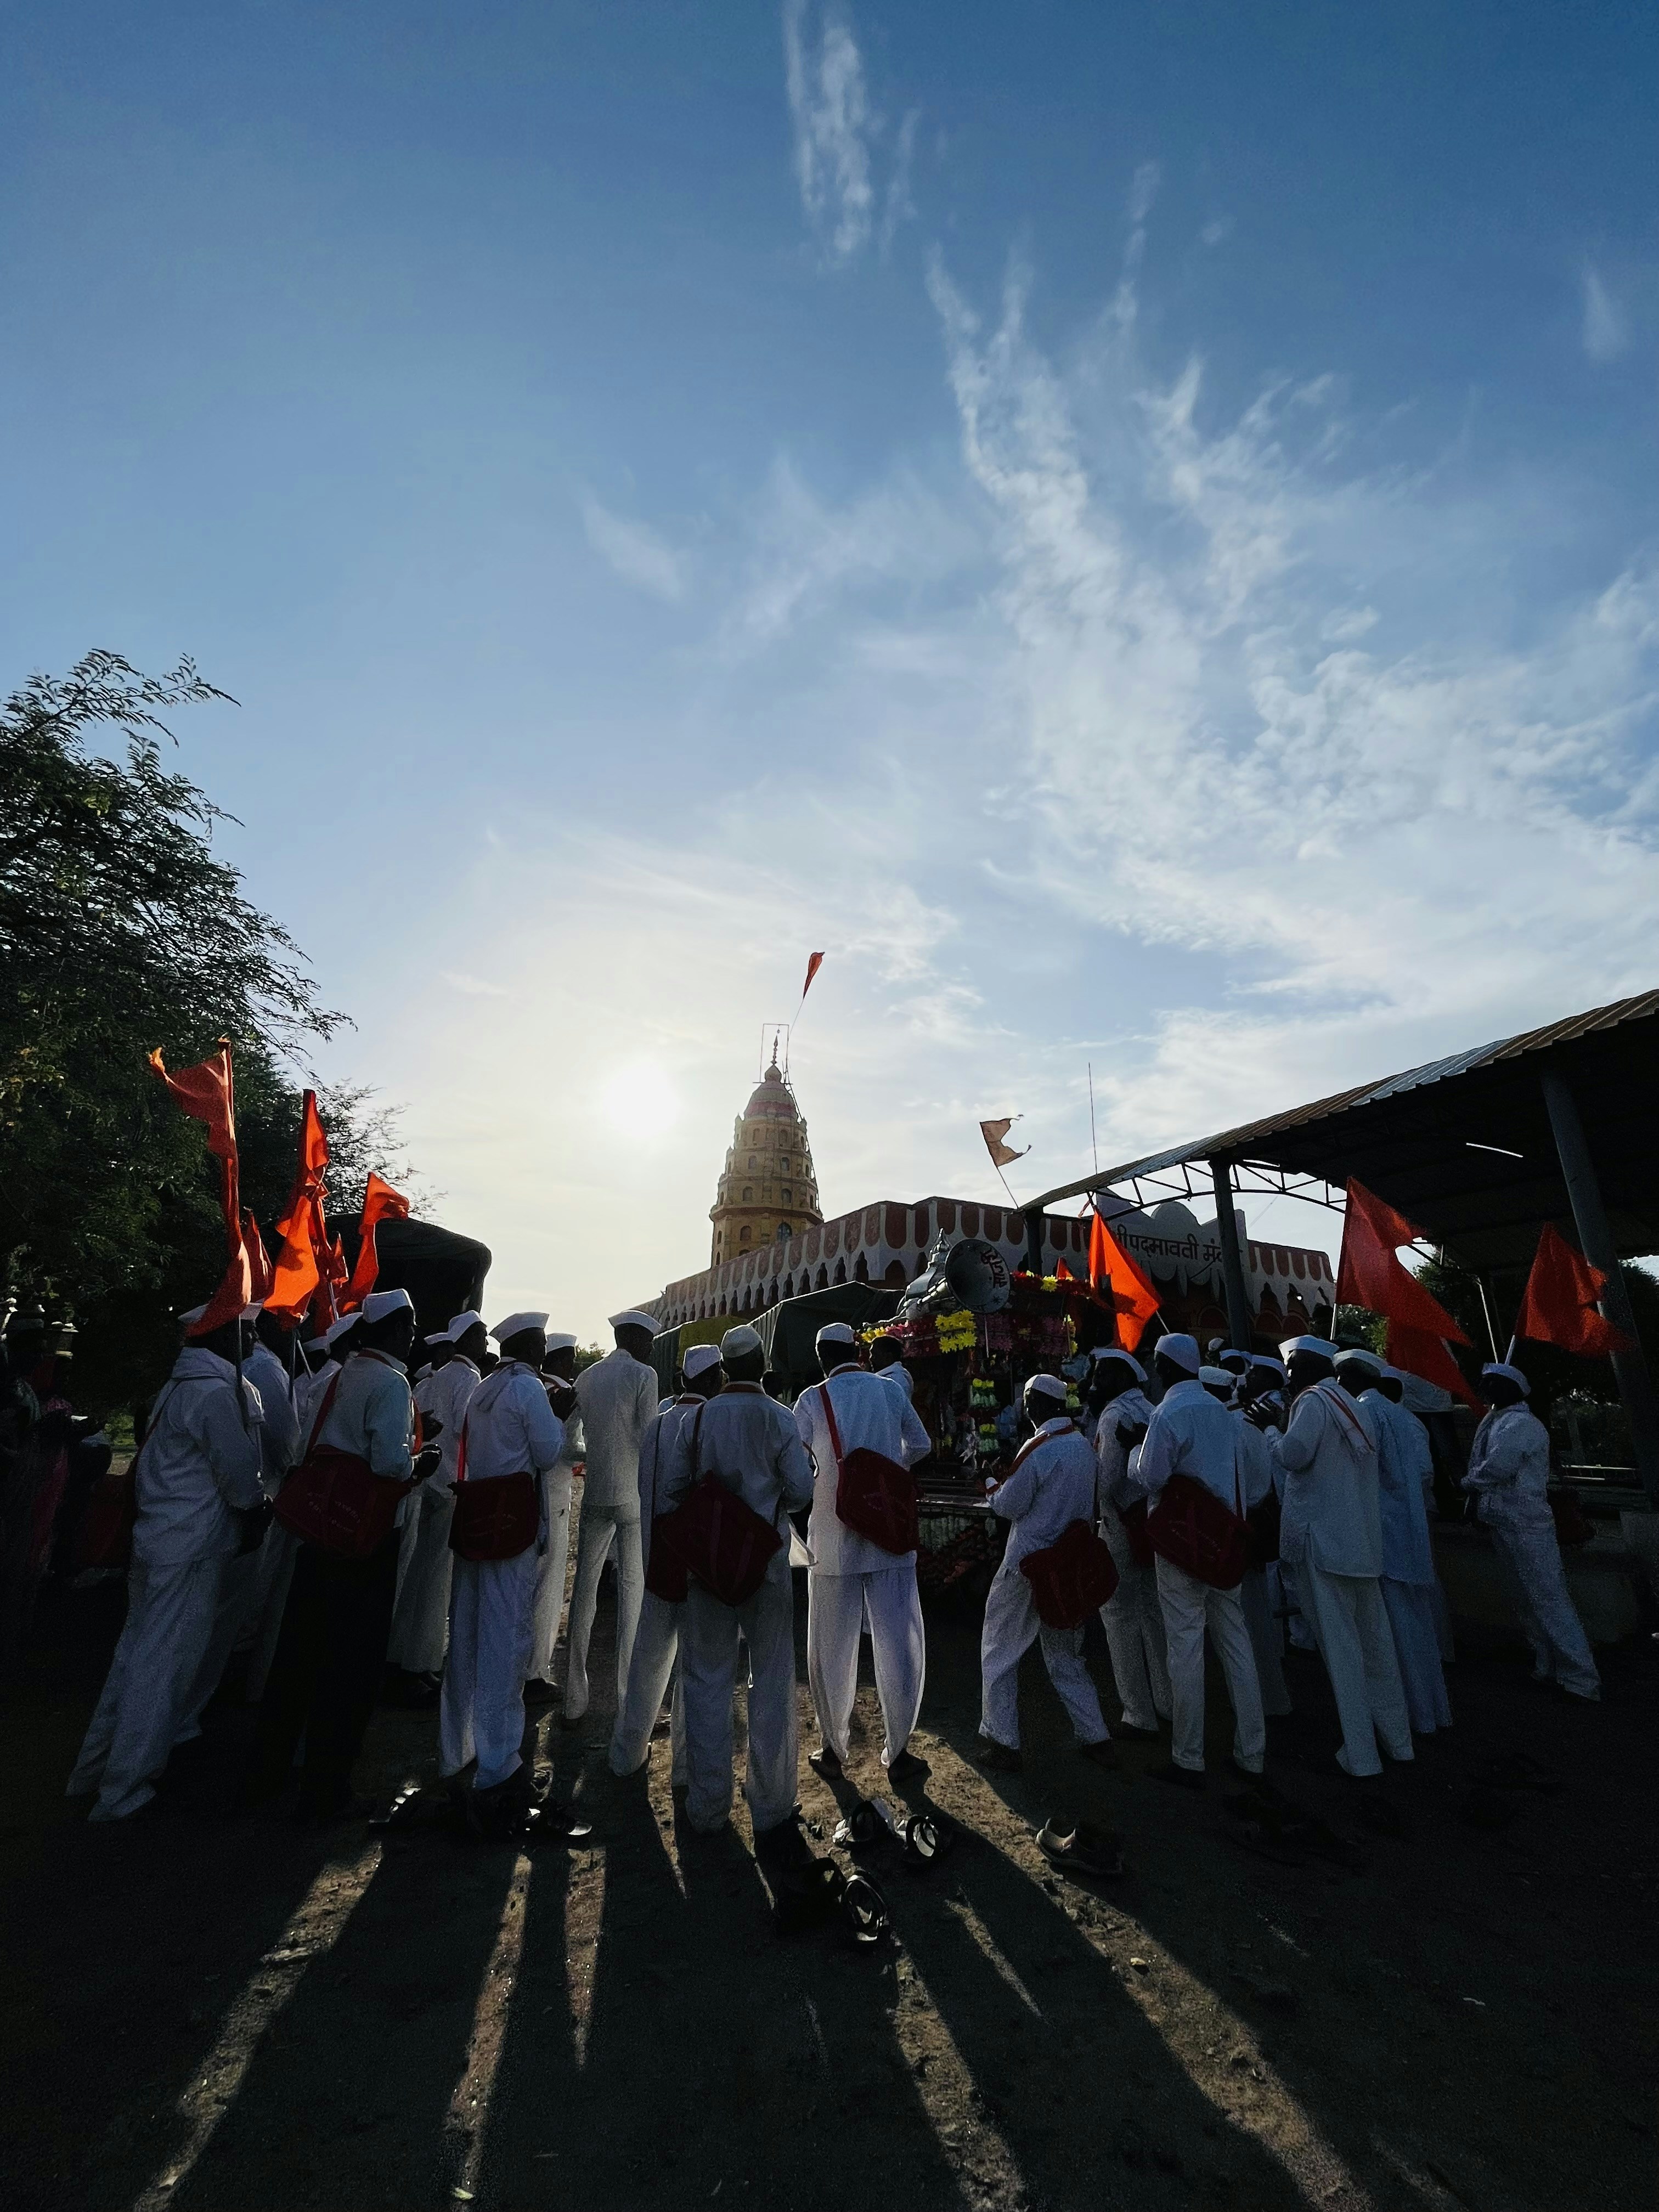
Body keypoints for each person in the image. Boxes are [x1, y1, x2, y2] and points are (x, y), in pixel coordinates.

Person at [68, 1302, 265, 1821]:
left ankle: (94, 1771)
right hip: (191, 1548)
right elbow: (242, 1479)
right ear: (223, 1337)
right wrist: (258, 1506)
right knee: (163, 1667)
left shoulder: (177, 1387)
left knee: (135, 1658)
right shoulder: (215, 1392)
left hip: (161, 1542)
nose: (253, 1343)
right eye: (246, 1333)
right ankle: (123, 1788)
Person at [246, 1289, 436, 1820]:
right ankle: (326, 1787)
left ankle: (269, 1769)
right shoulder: (391, 1382)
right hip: (363, 1539)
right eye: (411, 1324)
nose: (415, 1334)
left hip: (321, 1534)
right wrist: (420, 1462)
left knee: (300, 1655)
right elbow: (388, 1465)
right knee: (350, 1666)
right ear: (395, 1330)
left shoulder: (338, 1378)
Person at [661, 1323, 816, 1857]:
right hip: (767, 1565)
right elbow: (799, 1494)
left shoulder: (697, 1417)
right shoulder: (780, 1417)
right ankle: (772, 1808)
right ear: (761, 1364)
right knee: (771, 1681)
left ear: (725, 1368)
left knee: (706, 1680)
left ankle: (706, 1808)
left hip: (707, 1567)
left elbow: (674, 1489)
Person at [440, 1312, 579, 1836]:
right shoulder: (527, 1391)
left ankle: (456, 1753)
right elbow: (548, 1453)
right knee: (506, 1640)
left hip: (477, 1519)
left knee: (468, 1639)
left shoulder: (483, 1389)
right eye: (542, 1342)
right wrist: (559, 1414)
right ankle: (501, 1767)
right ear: (531, 1346)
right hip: (511, 1524)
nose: (546, 1351)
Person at [795, 1320, 933, 1781]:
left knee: (830, 1648)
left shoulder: (812, 1399)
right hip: (889, 1534)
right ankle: (900, 1752)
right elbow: (921, 1444)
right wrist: (884, 1472)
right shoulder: (890, 1391)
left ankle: (834, 1750)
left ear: (821, 1357)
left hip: (833, 1538)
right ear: (856, 1350)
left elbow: (798, 1468)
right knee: (901, 1642)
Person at [1273, 1336, 1413, 1779]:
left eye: (1293, 1367)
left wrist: (1275, 1432)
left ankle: (1362, 1754)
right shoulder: (1353, 1406)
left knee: (1344, 1653)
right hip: (1360, 1544)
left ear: (1313, 1368)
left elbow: (1294, 1456)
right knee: (1376, 1648)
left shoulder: (1314, 1403)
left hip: (1326, 1545)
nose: (1289, 1376)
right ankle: (1399, 1742)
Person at [1135, 1333, 1266, 1788]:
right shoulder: (1222, 1413)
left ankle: (1188, 1757)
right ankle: (1253, 1753)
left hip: (1183, 1549)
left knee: (1186, 1648)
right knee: (1237, 1645)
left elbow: (1151, 1477)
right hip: (1224, 1545)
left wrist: (1136, 1451)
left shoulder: (1168, 1412)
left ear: (1166, 1367)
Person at [977, 1373, 1115, 1773]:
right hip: (1067, 1565)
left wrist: (988, 1480)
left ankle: (1004, 1741)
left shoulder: (1039, 1448)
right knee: (1066, 1658)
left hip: (1028, 1565)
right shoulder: (1083, 1447)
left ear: (1034, 1403)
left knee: (1000, 1650)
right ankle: (1097, 1737)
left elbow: (1007, 1505)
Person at [610, 1342, 725, 1783]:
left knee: (647, 1663)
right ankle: (684, 1769)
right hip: (694, 1566)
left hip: (655, 1558)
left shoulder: (657, 1424)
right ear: (716, 1380)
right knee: (696, 1672)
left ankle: (627, 1754)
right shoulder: (708, 1421)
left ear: (681, 1382)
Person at [1463, 1361, 1599, 1701]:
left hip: (1527, 1524)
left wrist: (1465, 1483)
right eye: (1486, 1383)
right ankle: (1547, 1665)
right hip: (1504, 1521)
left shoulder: (1522, 1425)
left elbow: (1498, 1467)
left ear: (1513, 1390)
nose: (1487, 1389)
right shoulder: (1495, 1422)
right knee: (1525, 1600)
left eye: (1494, 1384)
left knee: (1550, 1599)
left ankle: (1582, 1678)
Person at [1335, 1350, 1452, 1734]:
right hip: (1408, 1529)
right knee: (1418, 1625)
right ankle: (1432, 1711)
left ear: (1352, 1379)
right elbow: (1421, 1472)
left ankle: (1412, 1715)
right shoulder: (1403, 1417)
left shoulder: (1366, 1413)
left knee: (1393, 1628)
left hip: (1382, 1533)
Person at [563, 1311, 660, 1727]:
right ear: (636, 1339)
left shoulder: (587, 1378)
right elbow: (648, 1438)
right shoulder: (644, 1375)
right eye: (649, 1341)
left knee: (583, 1593)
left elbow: (568, 1442)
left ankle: (573, 1699)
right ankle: (629, 1701)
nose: (652, 1348)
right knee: (632, 1595)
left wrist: (596, 1455)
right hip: (632, 1497)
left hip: (597, 1493)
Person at [386, 1310, 486, 1697]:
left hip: (425, 1483)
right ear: (464, 1342)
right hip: (447, 1488)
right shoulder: (468, 1378)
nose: (485, 1344)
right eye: (480, 1336)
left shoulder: (434, 1379)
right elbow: (470, 1431)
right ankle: (421, 1664)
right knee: (435, 1583)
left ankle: (400, 1658)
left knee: (414, 1576)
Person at [1086, 1347, 1169, 1737]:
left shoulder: (1115, 1414)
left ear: (1121, 1380)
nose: (1094, 1383)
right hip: (1151, 1525)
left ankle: (1138, 1712)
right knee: (1154, 1616)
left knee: (1119, 1618)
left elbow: (1106, 1482)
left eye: (1102, 1375)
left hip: (1120, 1525)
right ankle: (1167, 1703)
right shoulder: (1151, 1409)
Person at [1228, 1363, 1293, 1719]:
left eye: (1255, 1376)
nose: (1245, 1381)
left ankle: (1260, 1705)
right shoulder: (1248, 1420)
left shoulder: (1250, 1422)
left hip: (1254, 1524)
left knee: (1249, 1623)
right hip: (1262, 1520)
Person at [523, 1331, 584, 1705]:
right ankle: (534, 1673)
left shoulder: (534, 1386)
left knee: (530, 1582)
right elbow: (565, 1450)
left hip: (531, 1493)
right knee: (547, 1588)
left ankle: (526, 1667)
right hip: (554, 1493)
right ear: (564, 1360)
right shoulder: (563, 1394)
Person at [869, 1335, 915, 1402]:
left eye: (874, 1355)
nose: (871, 1359)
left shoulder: (897, 1379)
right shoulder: (895, 1377)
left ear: (888, 1357)